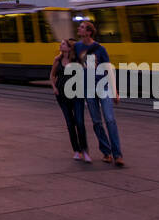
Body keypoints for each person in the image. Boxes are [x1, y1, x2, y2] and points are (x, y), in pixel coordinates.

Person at [75, 20, 124, 166]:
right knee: (97, 122)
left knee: (110, 120)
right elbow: (65, 54)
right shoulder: (77, 47)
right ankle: (106, 152)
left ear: (89, 32)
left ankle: (118, 155)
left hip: (103, 87)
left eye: (82, 27)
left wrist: (115, 91)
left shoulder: (100, 49)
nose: (79, 29)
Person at [51, 39, 91, 163]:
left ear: (69, 48)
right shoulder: (57, 60)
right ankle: (76, 151)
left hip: (77, 95)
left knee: (79, 122)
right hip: (62, 96)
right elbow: (52, 75)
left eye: (63, 44)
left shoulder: (76, 60)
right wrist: (54, 88)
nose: (60, 45)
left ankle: (85, 150)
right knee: (70, 123)